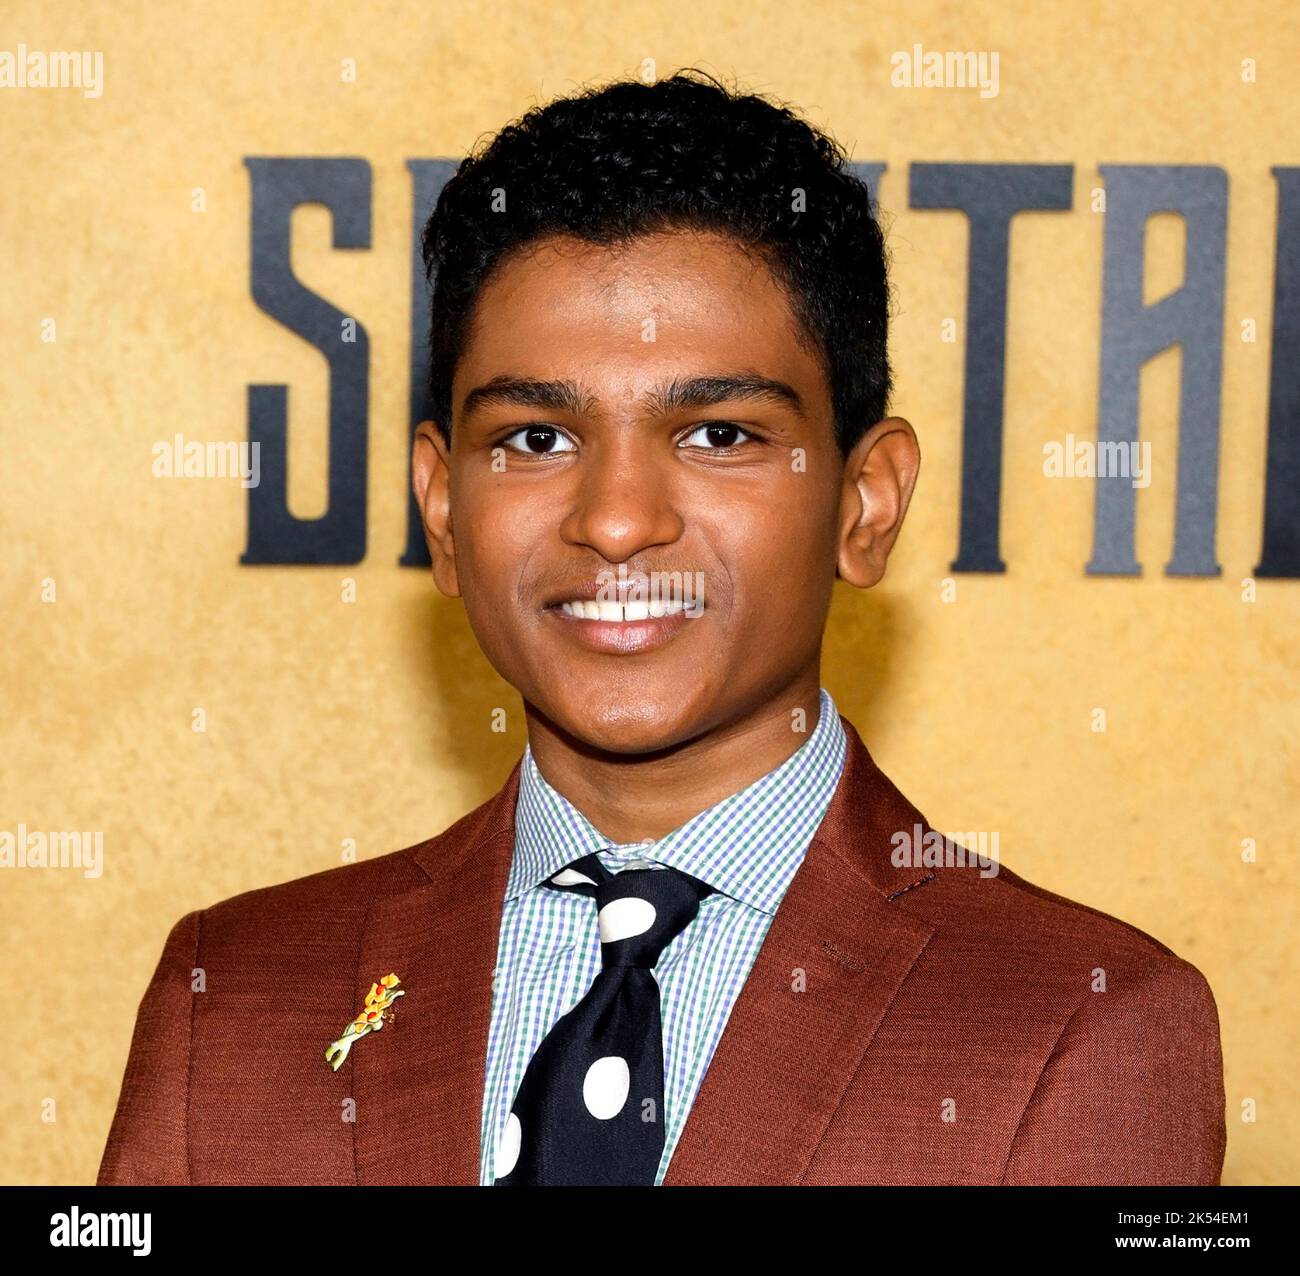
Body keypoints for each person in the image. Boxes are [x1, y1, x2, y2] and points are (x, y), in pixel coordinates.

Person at [98, 69, 1225, 1186]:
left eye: (720, 434)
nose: (619, 520)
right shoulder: (231, 997)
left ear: (865, 502)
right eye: (535, 438)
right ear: (442, 509)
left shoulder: (1076, 1022)